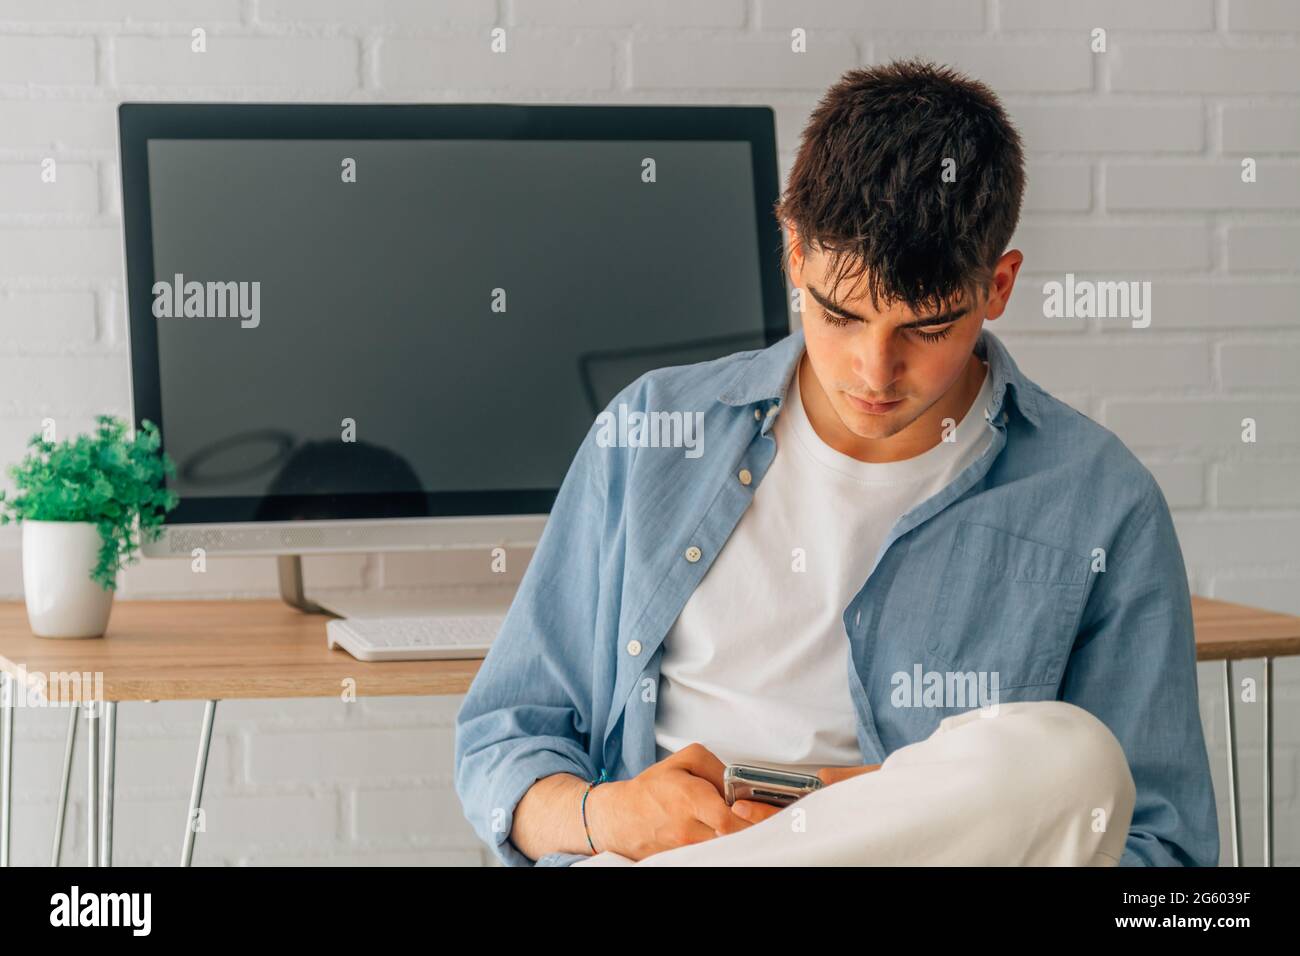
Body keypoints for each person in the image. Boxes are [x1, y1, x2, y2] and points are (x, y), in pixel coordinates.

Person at [454, 59, 1219, 867]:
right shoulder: (654, 431)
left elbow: (1164, 857)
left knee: (1068, 759)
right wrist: (611, 818)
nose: (872, 371)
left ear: (997, 286)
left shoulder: (1099, 500)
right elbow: (505, 746)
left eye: (924, 330)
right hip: (662, 860)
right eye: (839, 314)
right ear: (792, 251)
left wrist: (889, 812)